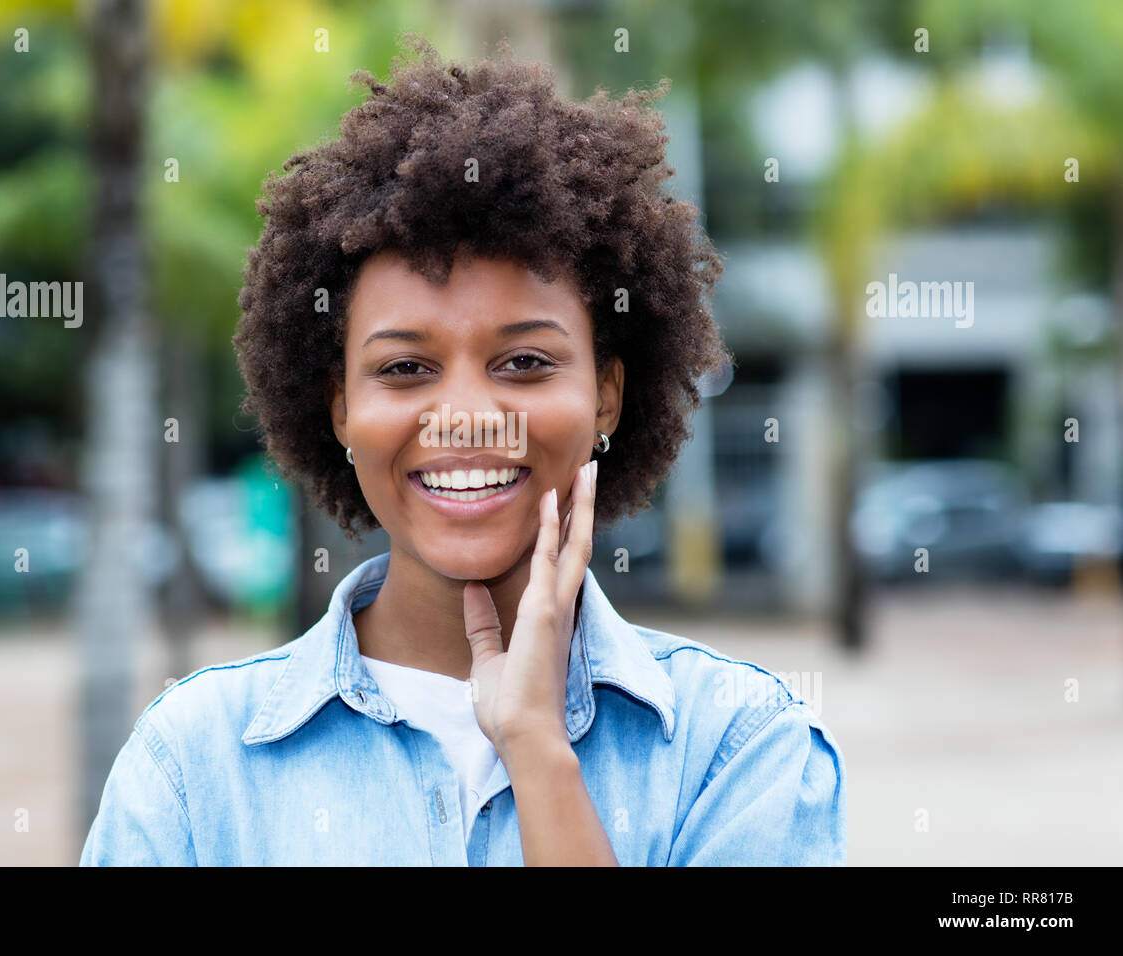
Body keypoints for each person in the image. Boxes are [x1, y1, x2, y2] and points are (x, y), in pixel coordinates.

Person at [80, 33, 845, 866]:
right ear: (338, 409)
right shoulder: (194, 767)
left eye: (524, 362)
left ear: (608, 396)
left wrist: (538, 749)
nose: (466, 418)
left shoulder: (738, 748)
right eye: (405, 368)